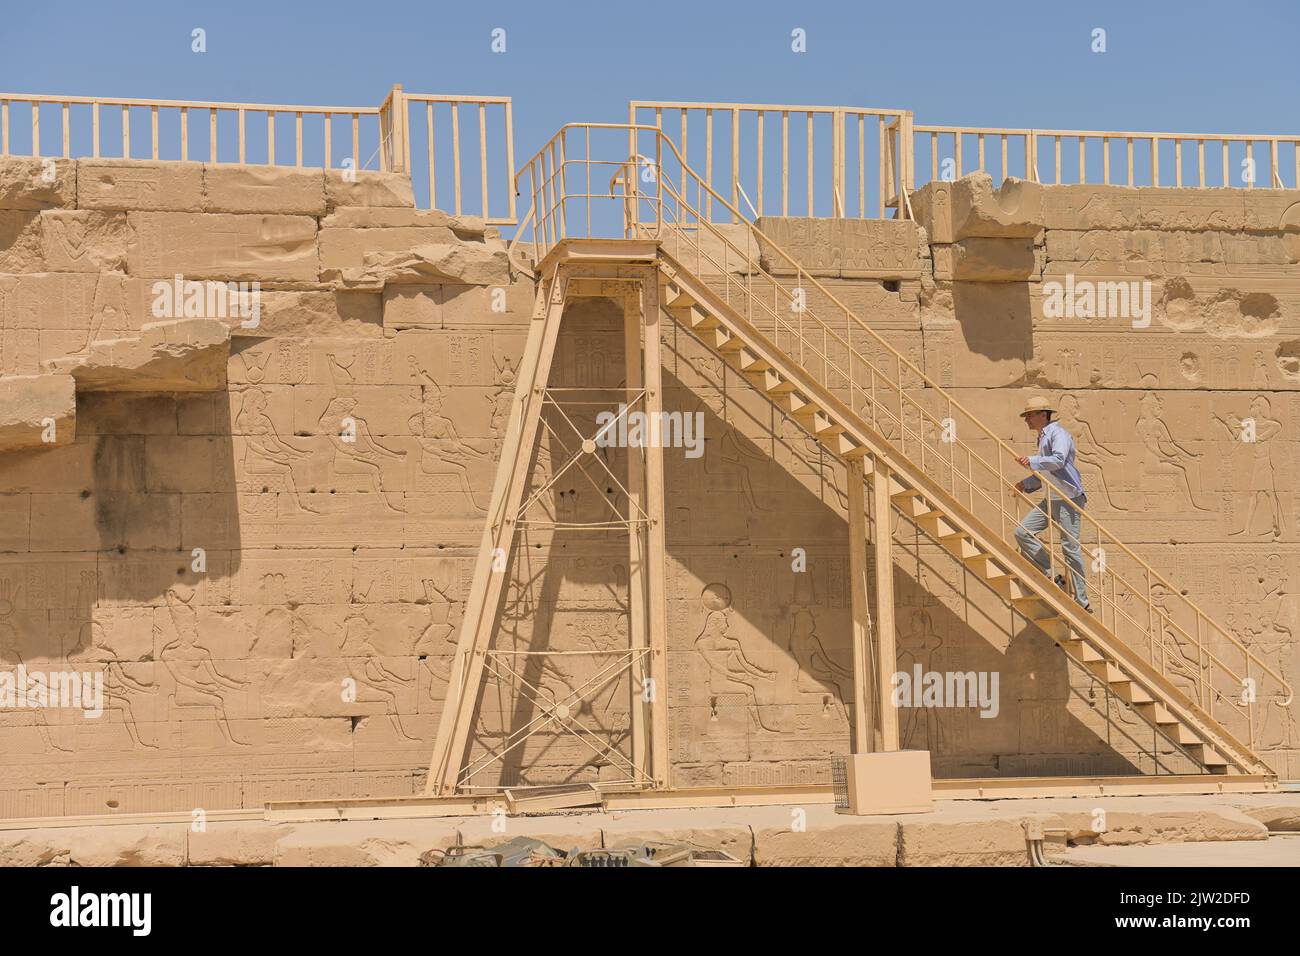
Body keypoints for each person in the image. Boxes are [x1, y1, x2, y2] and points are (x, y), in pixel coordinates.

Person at [1011, 396, 1091, 612]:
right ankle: (1052, 574)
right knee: (1022, 532)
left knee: (1070, 548)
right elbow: (1046, 474)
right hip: (1052, 496)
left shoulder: (1058, 434)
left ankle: (1082, 601)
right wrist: (1026, 484)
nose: (1027, 419)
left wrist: (1032, 461)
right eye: (1026, 415)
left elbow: (1059, 460)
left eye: (1030, 415)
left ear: (1043, 415)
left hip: (1067, 497)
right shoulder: (1043, 437)